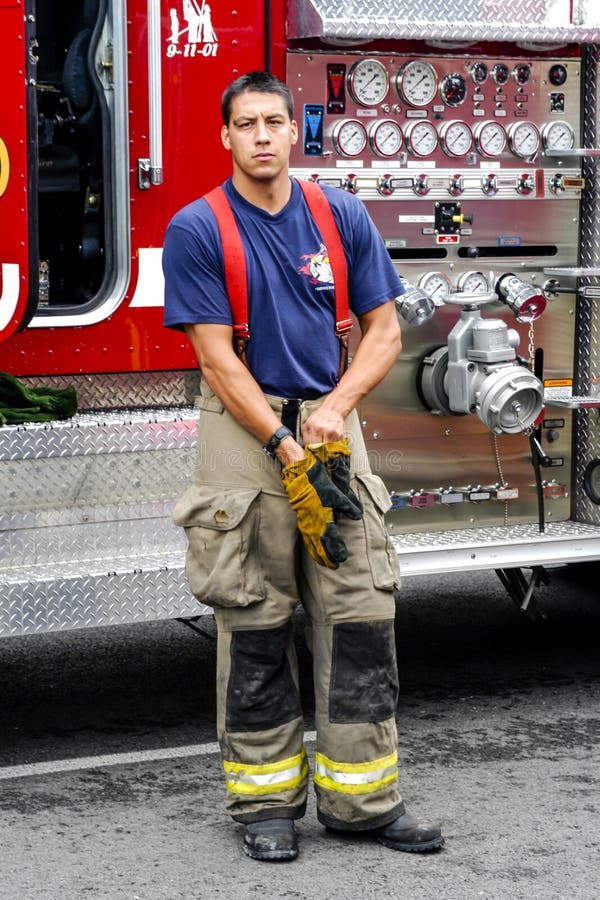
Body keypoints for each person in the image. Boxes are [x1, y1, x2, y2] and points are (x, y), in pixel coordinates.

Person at [162, 70, 444, 862]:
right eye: (245, 123)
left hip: (328, 425)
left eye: (274, 122)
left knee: (360, 613)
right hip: (245, 438)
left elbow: (385, 331)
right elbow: (217, 361)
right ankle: (265, 806)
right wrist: (284, 443)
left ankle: (365, 804)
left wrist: (333, 412)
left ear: (295, 133)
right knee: (255, 619)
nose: (260, 135)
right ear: (225, 137)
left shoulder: (339, 214)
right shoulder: (198, 229)